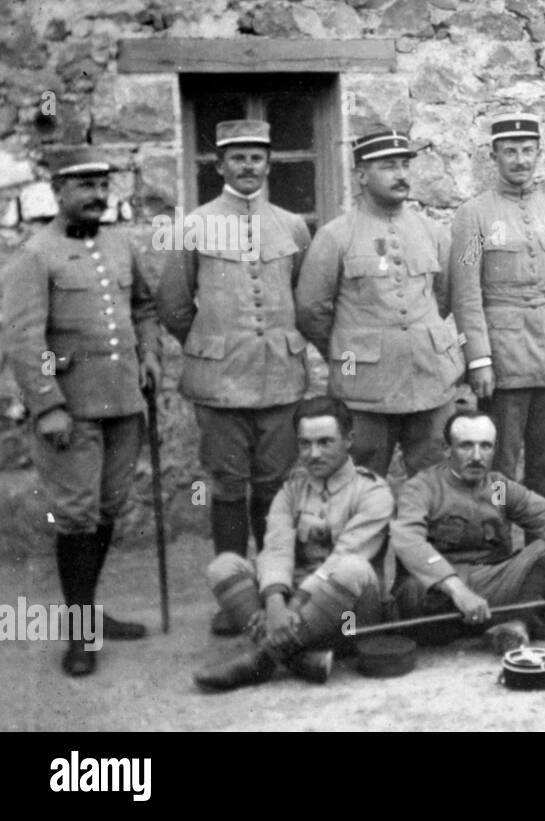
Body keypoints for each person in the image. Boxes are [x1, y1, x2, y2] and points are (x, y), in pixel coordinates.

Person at [1, 147, 163, 675]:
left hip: (122, 403)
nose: (97, 195)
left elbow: (142, 305)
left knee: (110, 508)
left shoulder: (119, 244)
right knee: (75, 516)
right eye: (84, 186)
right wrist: (47, 405)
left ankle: (89, 612)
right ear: (58, 192)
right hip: (70, 411)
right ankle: (79, 632)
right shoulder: (35, 255)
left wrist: (151, 354)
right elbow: (24, 340)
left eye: (102, 184)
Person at [156, 119, 312, 635]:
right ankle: (233, 596)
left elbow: (303, 296)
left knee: (274, 486)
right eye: (238, 157)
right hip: (220, 383)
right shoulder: (193, 225)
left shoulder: (291, 225)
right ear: (218, 164)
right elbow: (175, 306)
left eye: (257, 157)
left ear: (268, 164)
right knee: (227, 487)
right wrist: (211, 346)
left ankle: (276, 588)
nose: (249, 166)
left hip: (280, 379)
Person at [194, 397, 394, 691]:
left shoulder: (373, 491)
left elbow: (344, 556)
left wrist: (291, 607)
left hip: (351, 614)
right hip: (292, 611)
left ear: (349, 440)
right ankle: (299, 658)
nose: (313, 454)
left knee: (351, 567)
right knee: (222, 566)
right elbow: (275, 547)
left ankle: (262, 659)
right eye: (305, 444)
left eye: (325, 442)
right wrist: (275, 601)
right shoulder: (291, 490)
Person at [296, 129, 463, 477]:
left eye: (405, 165)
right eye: (388, 166)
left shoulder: (432, 232)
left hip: (430, 381)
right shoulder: (336, 235)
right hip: (364, 389)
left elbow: (444, 297)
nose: (401, 174)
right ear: (361, 176)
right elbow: (311, 309)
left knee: (436, 480)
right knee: (362, 481)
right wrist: (348, 349)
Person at [449, 112, 545, 501]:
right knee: (500, 466)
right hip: (504, 360)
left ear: (539, 153)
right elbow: (465, 294)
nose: (520, 159)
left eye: (528, 150)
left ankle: (542, 553)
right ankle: (496, 551)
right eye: (510, 151)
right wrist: (478, 358)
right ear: (493, 156)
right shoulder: (473, 215)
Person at [389, 410, 545, 651]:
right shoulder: (424, 488)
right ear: (447, 449)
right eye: (466, 446)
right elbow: (409, 542)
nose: (476, 457)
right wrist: (458, 591)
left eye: (485, 447)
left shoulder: (498, 489)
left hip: (493, 582)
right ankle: (522, 618)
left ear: (494, 449)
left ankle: (516, 624)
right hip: (441, 588)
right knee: (411, 592)